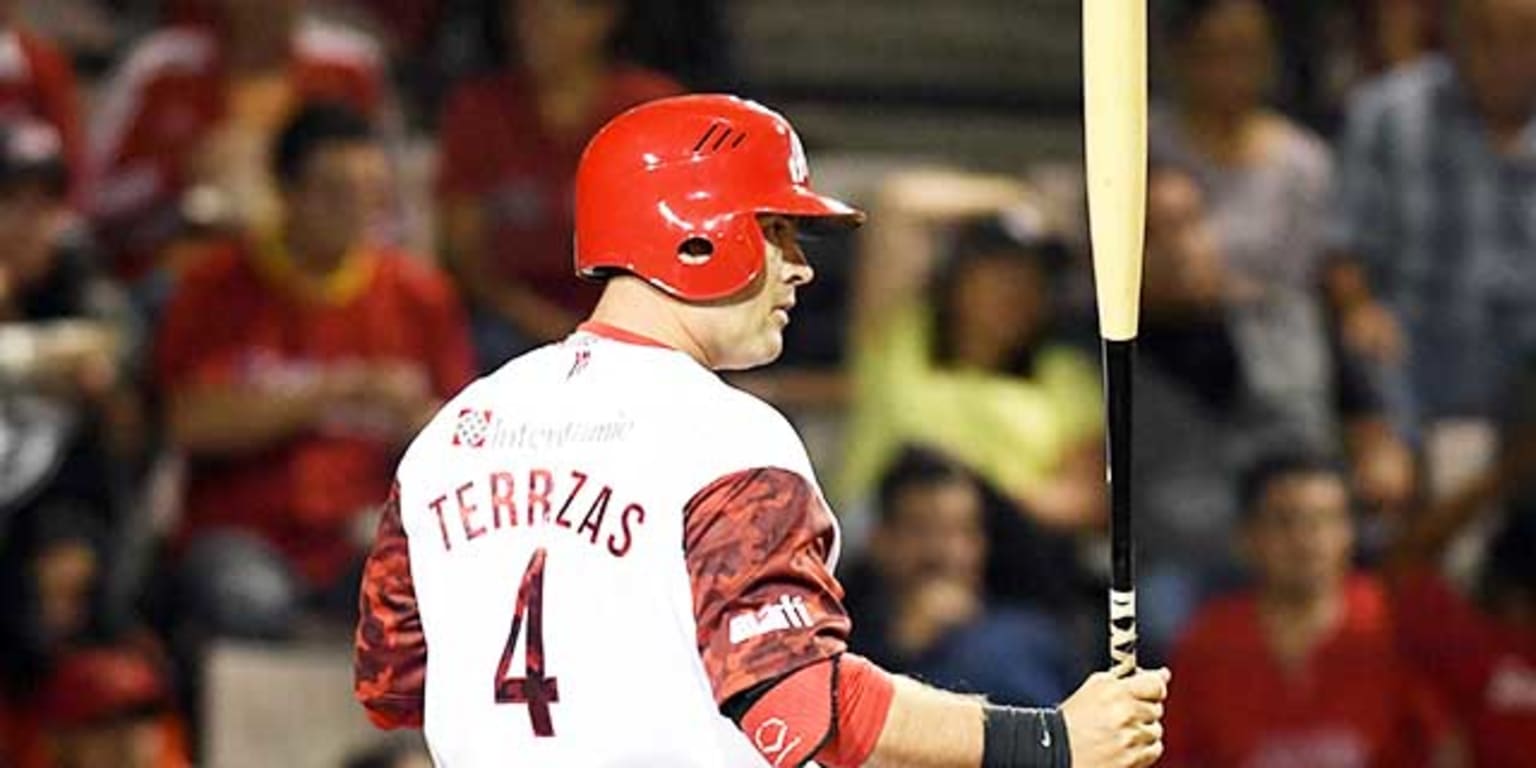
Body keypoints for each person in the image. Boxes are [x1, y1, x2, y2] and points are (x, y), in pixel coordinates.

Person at [355, 94, 1167, 767]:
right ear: (697, 233)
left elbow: (393, 681)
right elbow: (797, 705)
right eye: (776, 231)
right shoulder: (723, 436)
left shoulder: (455, 430)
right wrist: (1050, 740)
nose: (801, 266)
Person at [155, 103, 472, 635]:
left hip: (366, 531)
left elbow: (464, 442)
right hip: (245, 531)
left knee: (435, 588)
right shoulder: (216, 286)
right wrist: (333, 392)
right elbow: (190, 421)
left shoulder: (420, 296)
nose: (356, 210)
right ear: (286, 191)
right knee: (247, 598)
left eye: (371, 192)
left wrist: (414, 417)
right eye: (334, 191)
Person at [435, 0, 682, 370]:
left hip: (630, 310)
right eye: (522, 15)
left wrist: (612, 325)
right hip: (512, 317)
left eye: (549, 16)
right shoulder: (478, 110)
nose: (530, 31)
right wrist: (546, 323)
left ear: (602, 18)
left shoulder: (650, 105)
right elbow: (464, 255)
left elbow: (676, 242)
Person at [1163, 453, 1451, 766]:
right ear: (1247, 537)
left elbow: (1445, 747)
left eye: (1324, 519)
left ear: (1350, 532)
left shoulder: (1396, 625)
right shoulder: (1208, 641)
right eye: (1285, 521)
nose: (1305, 539)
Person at [1329, 0, 1536, 432]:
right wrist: (1359, 309)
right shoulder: (1385, 113)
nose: (1507, 55)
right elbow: (1344, 247)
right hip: (1415, 355)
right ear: (1452, 32)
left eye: (1526, 36)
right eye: (1486, 36)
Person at [87, 0, 393, 280]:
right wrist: (178, 172)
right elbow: (92, 202)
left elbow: (391, 209)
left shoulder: (349, 68)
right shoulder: (161, 67)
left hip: (318, 274)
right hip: (184, 271)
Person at [845, 447, 1076, 707]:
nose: (943, 551)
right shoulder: (837, 643)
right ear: (879, 540)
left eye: (961, 531)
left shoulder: (1028, 638)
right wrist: (902, 649)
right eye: (921, 529)